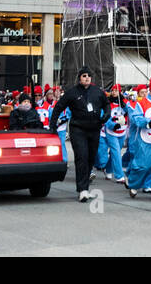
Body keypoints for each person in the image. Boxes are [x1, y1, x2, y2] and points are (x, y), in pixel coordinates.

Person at [45, 67, 110, 201]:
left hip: (94, 128)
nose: (87, 78)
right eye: (84, 76)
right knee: (82, 156)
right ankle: (82, 189)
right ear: (79, 78)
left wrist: (106, 115)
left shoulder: (97, 92)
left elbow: (106, 104)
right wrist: (53, 126)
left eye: (89, 76)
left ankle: (85, 186)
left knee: (91, 157)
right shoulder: (72, 92)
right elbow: (58, 108)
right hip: (78, 129)